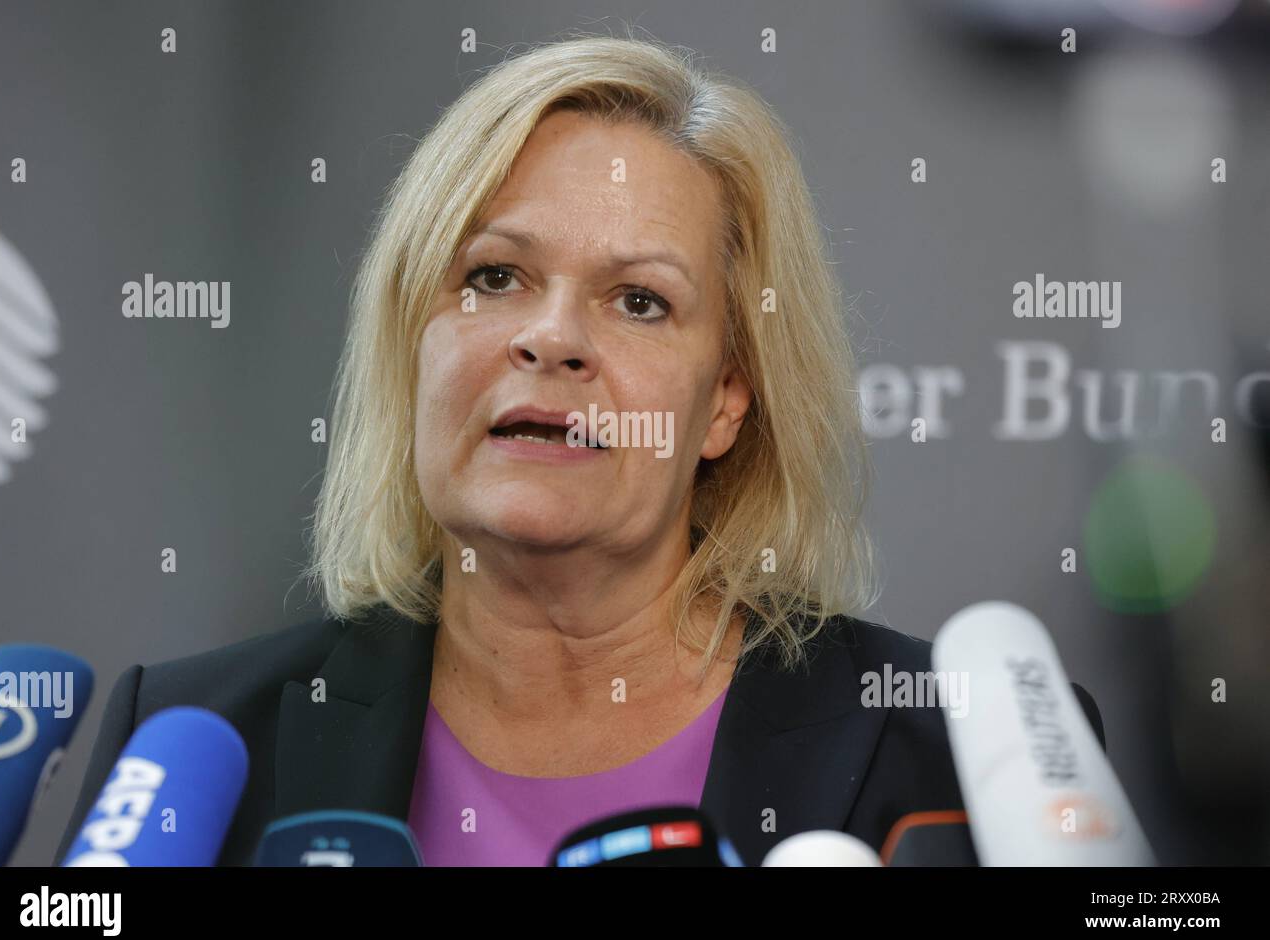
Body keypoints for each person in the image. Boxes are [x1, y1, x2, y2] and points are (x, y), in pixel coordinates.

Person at [57, 34, 970, 867]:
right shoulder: (192, 745)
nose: (550, 338)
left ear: (727, 400)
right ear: (413, 340)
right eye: (493, 278)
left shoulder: (949, 743)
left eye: (639, 300)